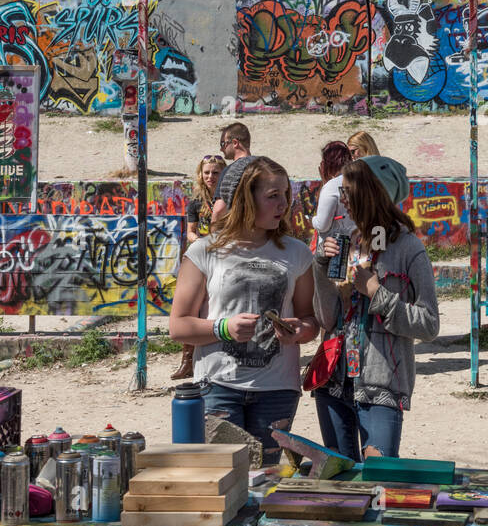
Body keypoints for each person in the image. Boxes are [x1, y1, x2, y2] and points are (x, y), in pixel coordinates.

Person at [169, 157, 319, 463]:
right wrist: (223, 328)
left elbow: (311, 321)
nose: (283, 205)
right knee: (221, 478)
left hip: (278, 390)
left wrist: (298, 332)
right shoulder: (204, 252)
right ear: (245, 200)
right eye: (273, 196)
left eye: (286, 195)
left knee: (264, 479)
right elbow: (178, 326)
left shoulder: (298, 254)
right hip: (217, 387)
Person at [311, 157, 439, 460]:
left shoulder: (408, 249)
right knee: (339, 486)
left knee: (377, 481)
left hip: (381, 385)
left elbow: (429, 324)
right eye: (342, 193)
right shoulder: (345, 241)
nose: (343, 201)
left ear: (375, 194)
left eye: (349, 193)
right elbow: (326, 319)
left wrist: (376, 293)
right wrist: (320, 265)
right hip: (333, 382)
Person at [173, 154, 227, 380]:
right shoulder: (196, 202)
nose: (210, 177)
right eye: (206, 172)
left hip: (225, 255)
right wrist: (204, 242)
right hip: (202, 257)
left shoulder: (229, 198)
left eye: (215, 172)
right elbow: (191, 232)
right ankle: (187, 359)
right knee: (191, 307)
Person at [313, 141, 356, 273]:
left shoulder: (331, 186)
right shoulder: (360, 179)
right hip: (359, 249)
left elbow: (322, 225)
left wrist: (312, 219)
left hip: (335, 252)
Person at [211, 121, 255, 225]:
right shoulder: (265, 166)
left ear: (235, 143)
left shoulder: (231, 171)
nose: (221, 149)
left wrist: (213, 236)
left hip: (240, 232)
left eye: (223, 144)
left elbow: (219, 211)